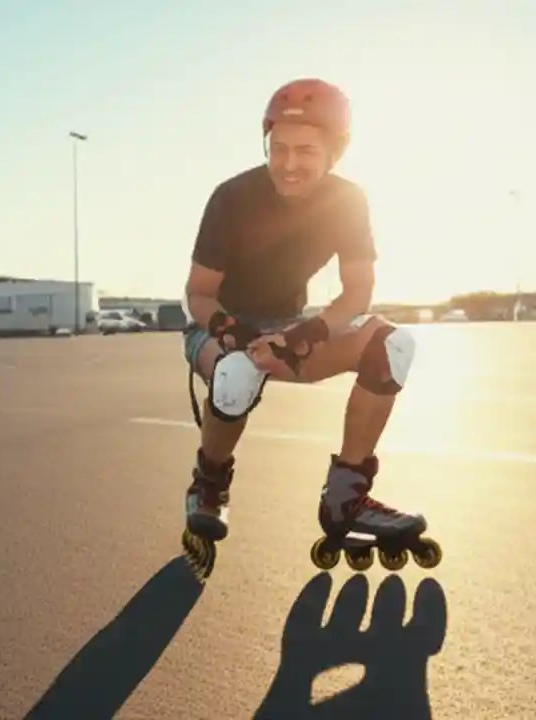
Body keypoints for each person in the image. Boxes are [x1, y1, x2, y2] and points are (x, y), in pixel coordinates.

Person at [180, 78, 427, 567]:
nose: (289, 165)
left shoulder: (348, 201)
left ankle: (347, 498)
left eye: (306, 152)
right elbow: (199, 295)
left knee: (392, 346)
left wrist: (302, 335)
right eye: (279, 149)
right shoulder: (231, 198)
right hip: (221, 325)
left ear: (335, 151)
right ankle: (209, 483)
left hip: (291, 325)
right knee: (235, 374)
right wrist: (241, 336)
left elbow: (357, 291)